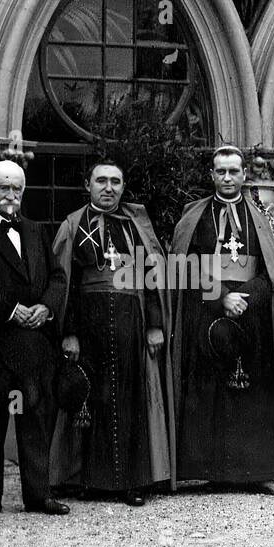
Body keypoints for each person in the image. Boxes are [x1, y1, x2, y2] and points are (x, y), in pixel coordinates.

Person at [170, 146, 274, 494]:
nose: (227, 178)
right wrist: (222, 297)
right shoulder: (194, 215)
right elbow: (185, 267)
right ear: (211, 175)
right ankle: (212, 470)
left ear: (243, 174)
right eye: (220, 171)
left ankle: (260, 471)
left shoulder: (264, 218)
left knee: (256, 397)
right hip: (207, 314)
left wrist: (246, 297)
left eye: (233, 171)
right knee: (211, 396)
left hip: (255, 316)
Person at [50, 162, 173, 506]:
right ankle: (87, 479)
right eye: (101, 180)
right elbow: (65, 284)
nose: (108, 187)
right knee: (91, 399)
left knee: (132, 400)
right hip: (88, 325)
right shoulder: (73, 225)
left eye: (115, 181)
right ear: (87, 184)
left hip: (131, 323)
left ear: (123, 187)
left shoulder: (137, 226)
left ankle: (131, 482)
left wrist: (153, 325)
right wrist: (69, 333)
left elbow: (152, 279)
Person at [0, 159, 69, 516]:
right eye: (3, 188)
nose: (10, 195)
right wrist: (10, 309)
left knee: (35, 415)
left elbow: (57, 276)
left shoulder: (36, 231)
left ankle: (38, 495)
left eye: (16, 188)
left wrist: (46, 308)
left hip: (34, 344)